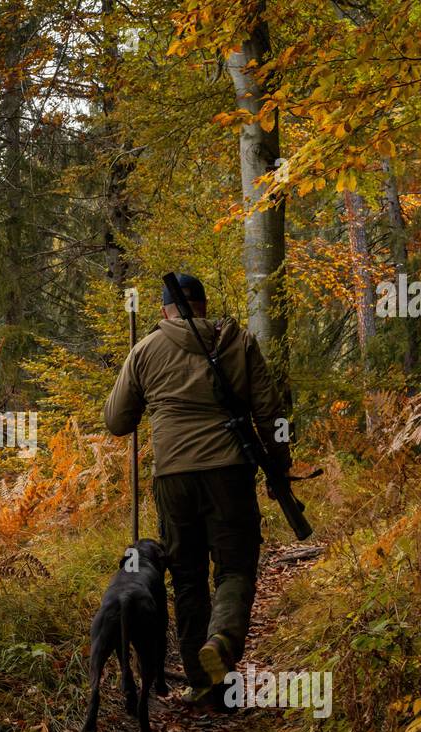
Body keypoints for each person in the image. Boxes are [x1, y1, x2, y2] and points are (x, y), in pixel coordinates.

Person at [103, 273, 291, 707]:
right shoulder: (237, 342)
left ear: (164, 309)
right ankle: (222, 639)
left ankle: (204, 684)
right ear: (202, 304)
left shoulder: (145, 351)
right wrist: (279, 464)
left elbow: (116, 422)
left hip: (172, 477)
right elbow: (271, 411)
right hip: (230, 471)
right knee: (236, 567)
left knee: (186, 578)